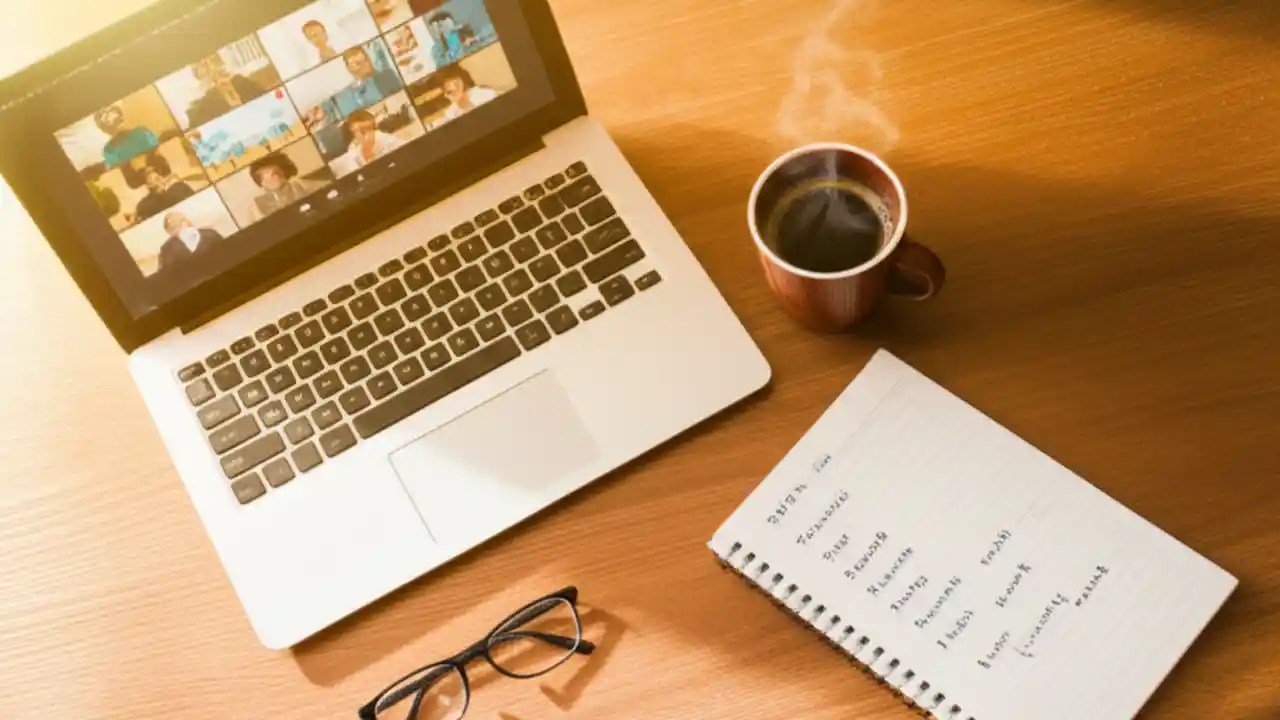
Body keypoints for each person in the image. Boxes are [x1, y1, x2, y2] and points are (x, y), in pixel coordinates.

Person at [184, 54, 265, 128]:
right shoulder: (198, 111)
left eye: (214, 61)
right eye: (204, 68)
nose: (213, 71)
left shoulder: (242, 83)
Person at [244, 152, 328, 223]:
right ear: (260, 181)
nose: (274, 176)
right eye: (265, 173)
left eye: (276, 172)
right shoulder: (255, 209)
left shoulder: (309, 187)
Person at [332, 109, 404, 175]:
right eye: (357, 132)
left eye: (367, 129)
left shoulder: (382, 138)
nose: (365, 135)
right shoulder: (352, 148)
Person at [334, 46, 402, 117]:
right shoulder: (344, 96)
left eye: (366, 60)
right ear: (349, 68)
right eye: (358, 63)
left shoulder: (387, 76)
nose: (366, 65)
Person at [94, 103, 159, 169]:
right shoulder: (109, 150)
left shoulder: (143, 133)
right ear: (104, 128)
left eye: (118, 119)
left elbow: (158, 151)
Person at [133, 153, 195, 222]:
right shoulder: (144, 205)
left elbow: (196, 203)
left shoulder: (179, 187)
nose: (158, 176)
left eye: (159, 175)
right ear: (148, 185)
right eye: (155, 178)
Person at [157, 211, 226, 273]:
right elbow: (165, 276)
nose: (176, 229)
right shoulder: (167, 250)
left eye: (179, 223)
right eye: (173, 228)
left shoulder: (210, 235)